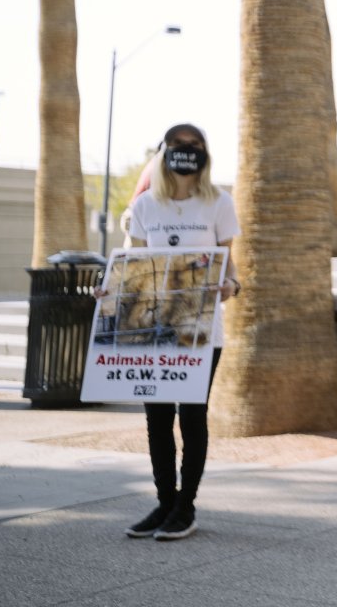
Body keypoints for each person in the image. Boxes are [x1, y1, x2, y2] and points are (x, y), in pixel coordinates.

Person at [103, 123, 241, 541]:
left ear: (204, 153)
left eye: (194, 145)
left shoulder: (219, 203)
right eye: (178, 145)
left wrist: (230, 286)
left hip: (201, 330)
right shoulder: (146, 206)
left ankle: (186, 507)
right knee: (157, 418)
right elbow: (135, 268)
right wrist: (108, 292)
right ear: (163, 153)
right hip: (153, 328)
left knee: (192, 416)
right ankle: (164, 502)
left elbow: (228, 268)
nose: (185, 151)